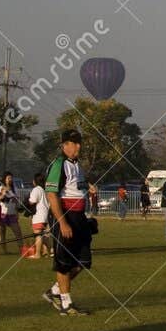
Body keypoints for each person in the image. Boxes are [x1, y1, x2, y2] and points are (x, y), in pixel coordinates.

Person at [43, 129, 94, 315]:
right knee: (64, 262)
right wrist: (62, 222)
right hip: (65, 215)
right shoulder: (59, 164)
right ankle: (66, 304)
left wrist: (89, 187)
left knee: (83, 260)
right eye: (74, 142)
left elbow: (77, 186)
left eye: (79, 142)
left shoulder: (77, 165)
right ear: (65, 145)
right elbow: (51, 194)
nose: (78, 145)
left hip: (79, 217)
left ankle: (55, 291)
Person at [27, 173, 51, 259]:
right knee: (44, 236)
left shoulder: (36, 189)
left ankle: (37, 254)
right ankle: (51, 251)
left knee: (37, 235)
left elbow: (32, 201)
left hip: (38, 216)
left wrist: (27, 201)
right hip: (46, 216)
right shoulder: (45, 190)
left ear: (35, 181)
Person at [0, 172, 24, 251]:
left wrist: (17, 212)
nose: (10, 180)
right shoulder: (1, 188)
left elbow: (16, 200)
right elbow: (1, 199)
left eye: (11, 178)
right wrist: (4, 192)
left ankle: (22, 249)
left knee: (18, 232)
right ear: (4, 179)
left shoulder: (15, 188)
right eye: (8, 178)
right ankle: (4, 250)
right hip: (3, 213)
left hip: (12, 213)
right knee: (2, 232)